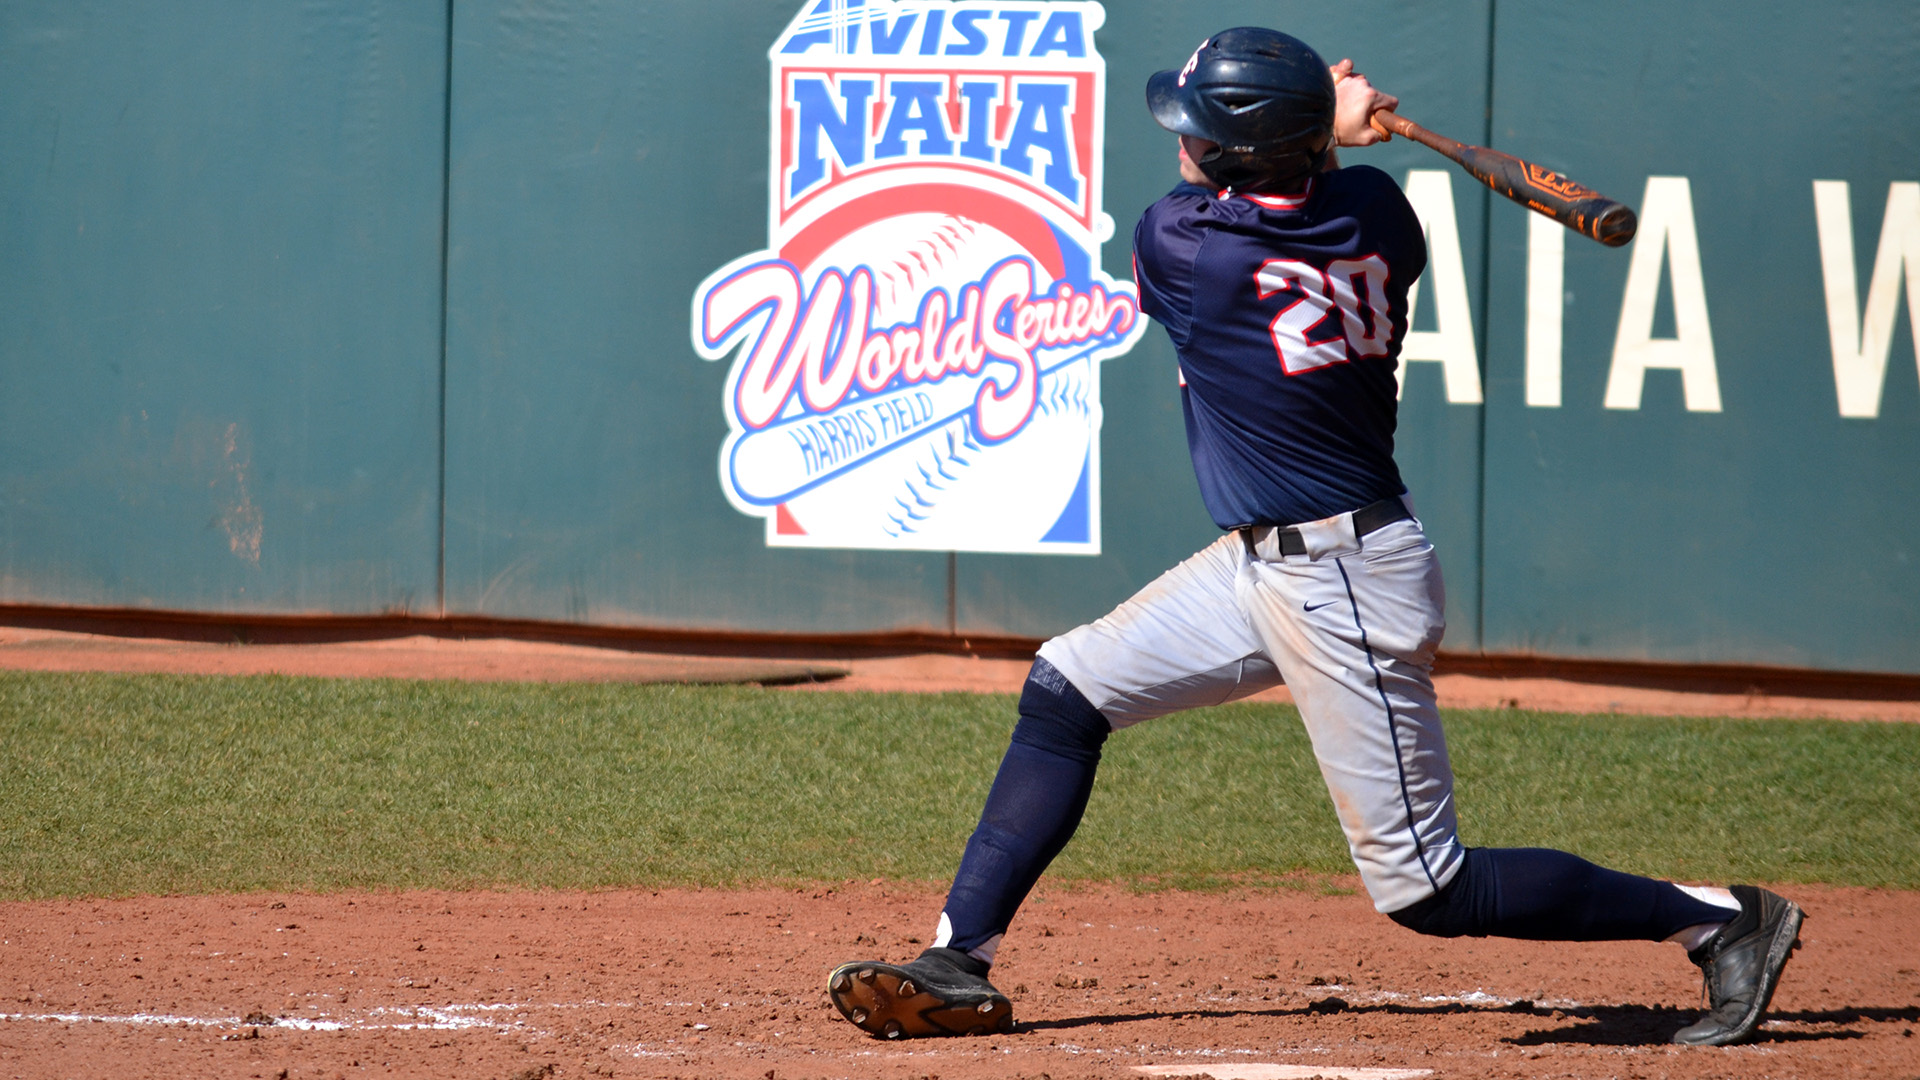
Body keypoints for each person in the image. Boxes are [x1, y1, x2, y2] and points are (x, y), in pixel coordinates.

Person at [826, 27, 1803, 1049]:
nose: (1183, 140)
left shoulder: (1187, 249)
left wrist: (1322, 123)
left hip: (1340, 583)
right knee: (1067, 688)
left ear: (1247, 157)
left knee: (1428, 887)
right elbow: (1324, 191)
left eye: (1201, 129)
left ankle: (1724, 921)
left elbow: (1254, 205)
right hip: (1268, 567)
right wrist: (1330, 134)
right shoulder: (1384, 214)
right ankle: (958, 958)